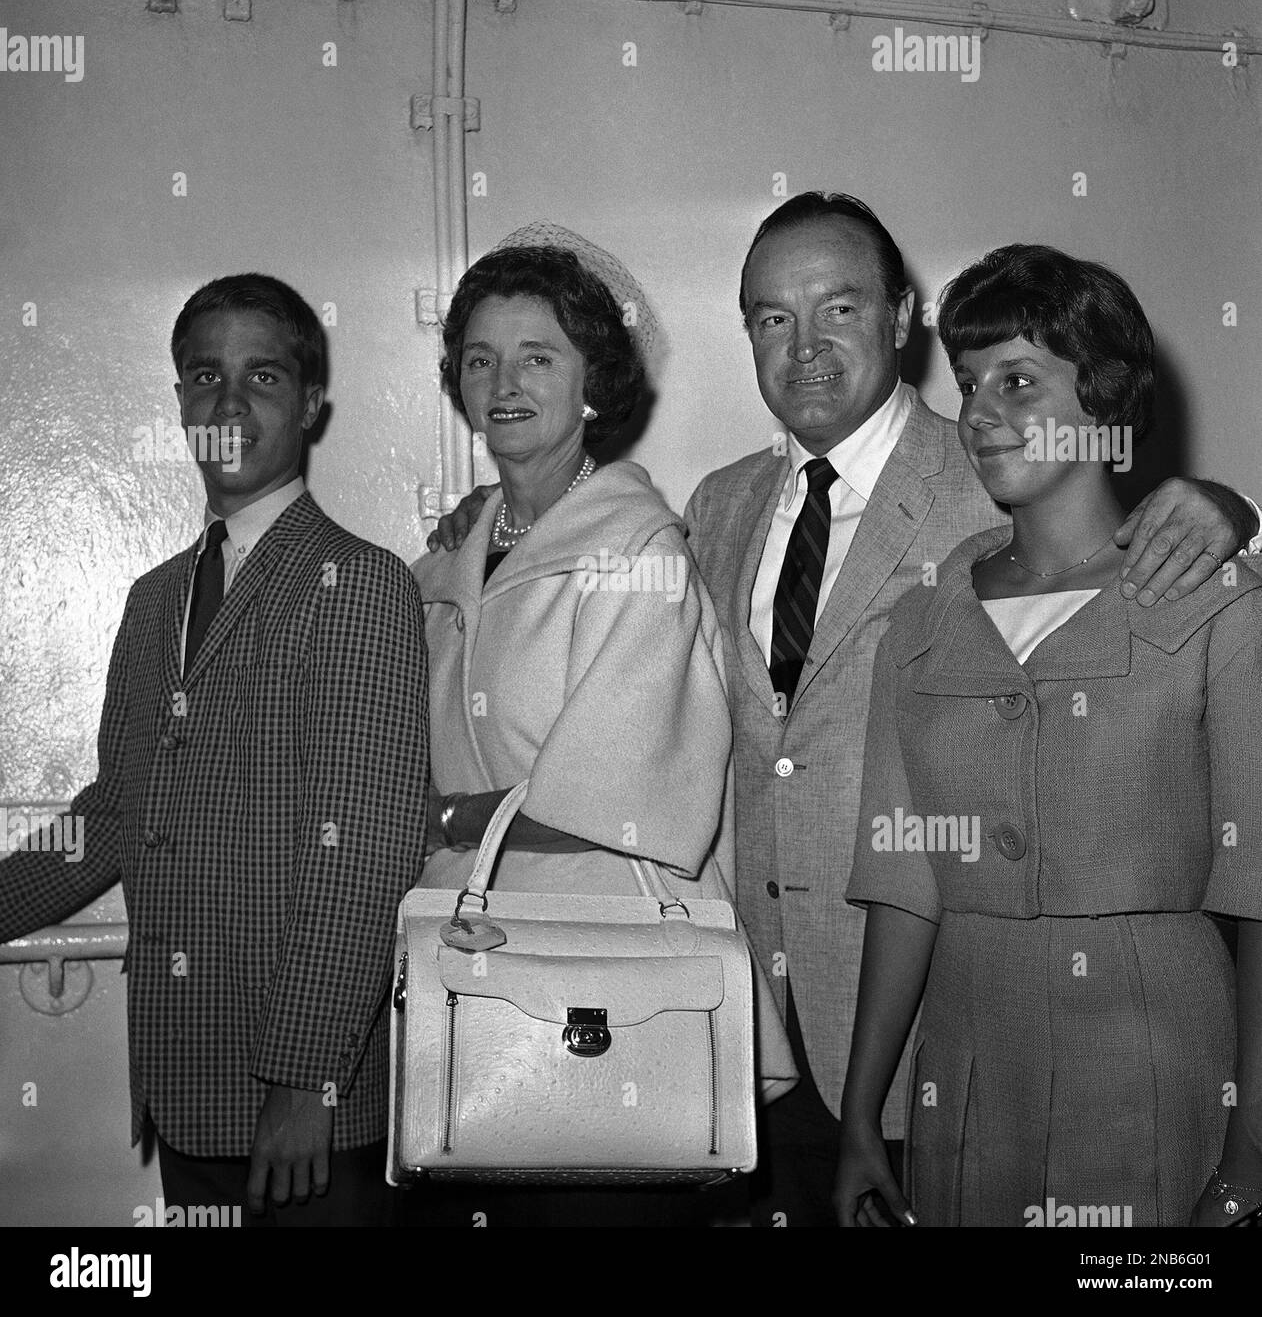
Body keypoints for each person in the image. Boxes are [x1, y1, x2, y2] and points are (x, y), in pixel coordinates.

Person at [428, 194, 1260, 1225]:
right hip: (751, 1029)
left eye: (837, 307)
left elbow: (1117, 539)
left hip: (950, 1034)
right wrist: (487, 522)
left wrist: (1220, 505)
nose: (803, 345)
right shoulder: (718, 507)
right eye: (771, 318)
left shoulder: (991, 465)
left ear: (902, 316)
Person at [837, 244, 1261, 1228]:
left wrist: (1249, 1153)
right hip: (969, 1066)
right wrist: (862, 1113)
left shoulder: (1218, 608)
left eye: (1017, 380)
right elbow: (905, 885)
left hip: (1159, 1059)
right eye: (968, 382)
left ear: (1103, 401)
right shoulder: (921, 620)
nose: (978, 409)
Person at [0, 275, 429, 1226]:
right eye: (205, 377)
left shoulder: (356, 583)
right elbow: (116, 817)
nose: (229, 404)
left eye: (263, 376)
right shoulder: (157, 597)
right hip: (187, 1091)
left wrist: (304, 1078)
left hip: (304, 1113)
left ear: (311, 402)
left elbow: (361, 848)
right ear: (183, 401)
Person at [405, 225, 796, 1227]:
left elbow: (616, 801)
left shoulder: (637, 551)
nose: (503, 380)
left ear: (592, 382)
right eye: (480, 358)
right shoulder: (445, 559)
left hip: (605, 987)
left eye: (538, 356)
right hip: (470, 968)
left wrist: (438, 817)